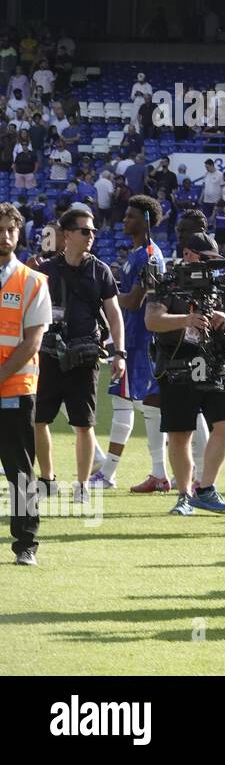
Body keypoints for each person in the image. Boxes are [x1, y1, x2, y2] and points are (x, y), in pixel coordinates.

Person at [144, 233, 225, 517]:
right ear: (188, 254)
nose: (211, 266)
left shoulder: (219, 283)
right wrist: (186, 320)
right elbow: (152, 320)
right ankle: (184, 495)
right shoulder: (167, 281)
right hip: (177, 365)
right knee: (180, 434)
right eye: (206, 259)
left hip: (214, 361)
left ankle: (206, 488)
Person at [33, 208, 127, 504]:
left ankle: (83, 485)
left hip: (85, 356)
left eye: (93, 232)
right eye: (85, 231)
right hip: (48, 354)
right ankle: (47, 479)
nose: (91, 237)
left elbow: (114, 314)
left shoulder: (101, 270)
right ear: (67, 234)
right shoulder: (47, 271)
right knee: (39, 420)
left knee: (84, 424)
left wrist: (119, 353)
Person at [102, 196, 169, 493]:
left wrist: (103, 290)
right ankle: (114, 472)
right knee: (124, 402)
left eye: (130, 216)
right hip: (130, 340)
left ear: (145, 220)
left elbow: (133, 301)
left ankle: (159, 473)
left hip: (142, 342)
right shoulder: (137, 253)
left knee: (148, 406)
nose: (124, 221)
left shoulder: (150, 256)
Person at [0, 202, 51, 566]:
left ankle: (27, 544)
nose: (4, 236)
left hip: (15, 391)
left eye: (10, 230)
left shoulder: (33, 281)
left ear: (19, 233)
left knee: (20, 470)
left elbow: (32, 342)